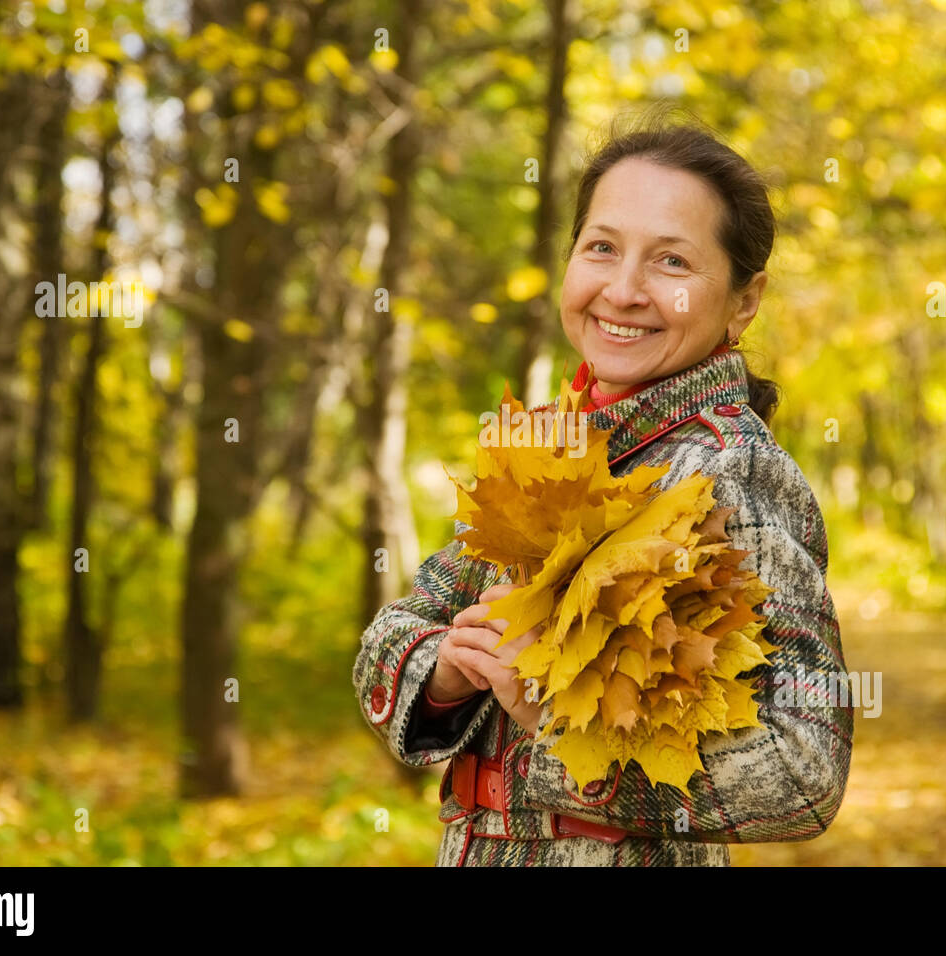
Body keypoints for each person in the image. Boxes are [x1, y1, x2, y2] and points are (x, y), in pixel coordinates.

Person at [353, 110, 853, 866]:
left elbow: (803, 771)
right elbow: (400, 627)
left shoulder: (729, 473)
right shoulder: (538, 446)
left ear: (743, 302)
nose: (623, 290)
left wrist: (560, 724)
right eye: (602, 248)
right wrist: (450, 668)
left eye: (673, 264)